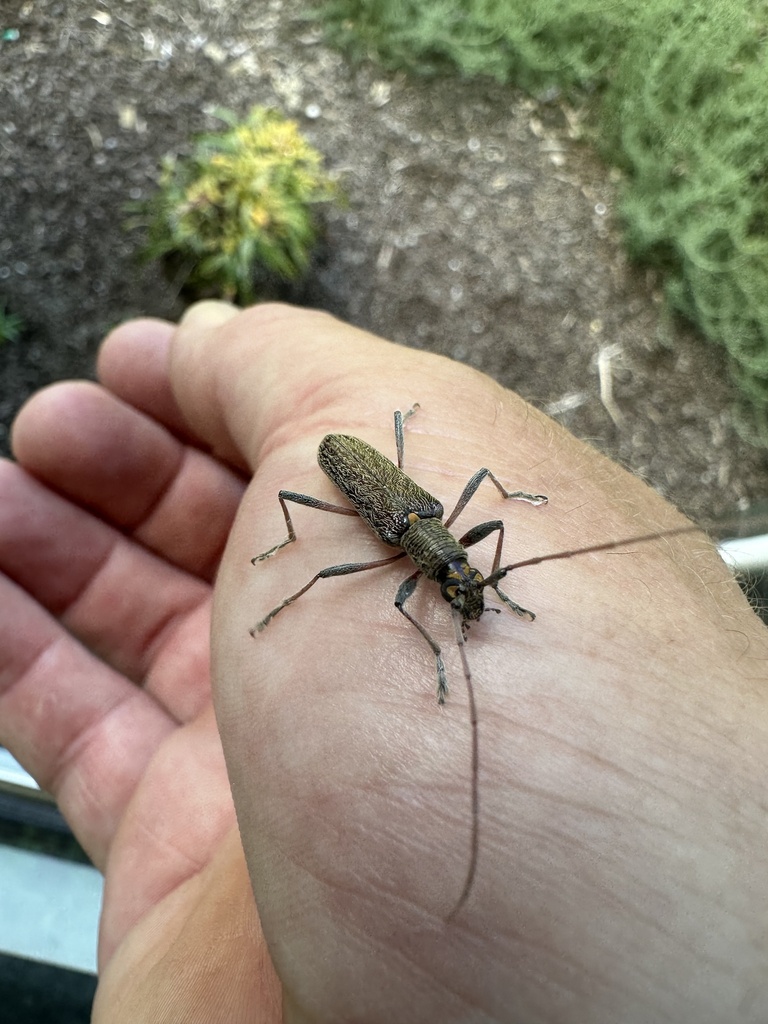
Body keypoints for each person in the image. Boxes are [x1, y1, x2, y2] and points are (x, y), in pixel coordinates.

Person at [0, 301, 766, 1023]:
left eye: (461, 576)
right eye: (458, 577)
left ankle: (417, 478)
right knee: (324, 555)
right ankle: (287, 559)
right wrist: (439, 660)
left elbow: (470, 549)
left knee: (481, 510)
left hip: (398, 494)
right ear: (432, 560)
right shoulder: (409, 551)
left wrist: (493, 589)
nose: (461, 581)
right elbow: (408, 602)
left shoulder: (448, 538)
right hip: (353, 465)